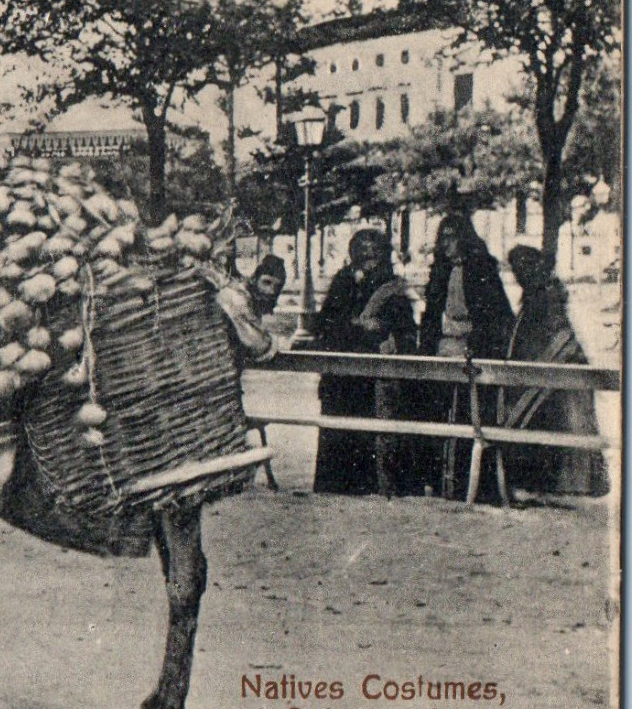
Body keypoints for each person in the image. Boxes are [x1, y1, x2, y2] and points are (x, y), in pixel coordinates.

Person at [311, 228, 422, 496]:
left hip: (375, 379)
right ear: (353, 254)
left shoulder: (393, 289)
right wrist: (356, 326)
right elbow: (324, 324)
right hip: (342, 377)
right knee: (339, 439)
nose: (368, 257)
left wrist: (383, 329)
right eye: (362, 251)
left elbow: (405, 333)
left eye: (374, 252)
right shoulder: (343, 282)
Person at [417, 213, 515, 498]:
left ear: (464, 238)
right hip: (443, 350)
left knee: (470, 417)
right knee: (439, 412)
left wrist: (476, 339)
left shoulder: (481, 268)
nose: (446, 243)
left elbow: (496, 316)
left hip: (472, 352)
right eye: (443, 237)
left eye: (452, 237)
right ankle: (440, 482)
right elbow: (431, 316)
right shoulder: (440, 271)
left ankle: (472, 486)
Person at [500, 246, 609, 496]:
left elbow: (556, 334)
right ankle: (564, 482)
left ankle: (572, 483)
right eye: (517, 269)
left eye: (525, 267)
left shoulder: (545, 296)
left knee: (567, 423)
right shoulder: (543, 293)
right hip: (555, 368)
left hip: (559, 368)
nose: (519, 274)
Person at [217, 254, 287, 365]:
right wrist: (275, 342)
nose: (271, 291)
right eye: (266, 282)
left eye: (277, 286)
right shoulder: (237, 298)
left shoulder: (247, 297)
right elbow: (257, 345)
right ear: (254, 279)